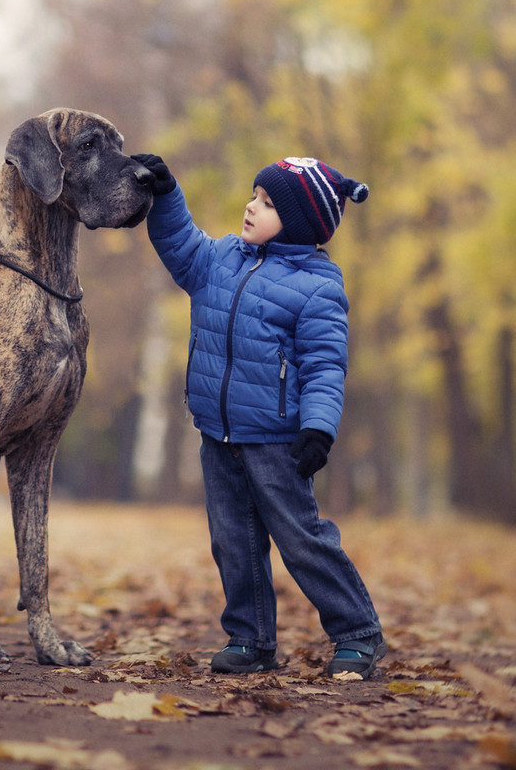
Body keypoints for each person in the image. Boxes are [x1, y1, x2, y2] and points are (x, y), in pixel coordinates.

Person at [133, 152, 385, 677]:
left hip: (276, 439)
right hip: (218, 433)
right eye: (254, 195)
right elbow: (180, 243)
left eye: (267, 203)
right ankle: (250, 639)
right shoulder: (221, 260)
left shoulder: (318, 288)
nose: (251, 207)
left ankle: (357, 633)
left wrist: (318, 427)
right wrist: (167, 195)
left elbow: (325, 365)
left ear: (298, 222)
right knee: (233, 541)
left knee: (301, 538)